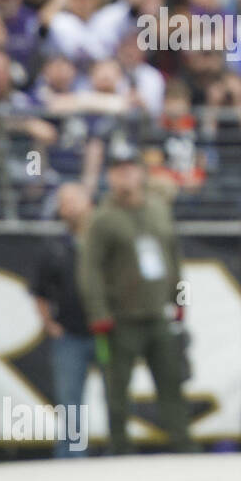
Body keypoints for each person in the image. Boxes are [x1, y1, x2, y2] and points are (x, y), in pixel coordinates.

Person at [77, 142, 194, 455]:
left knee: (171, 381)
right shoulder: (102, 218)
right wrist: (99, 313)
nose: (124, 176)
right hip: (121, 317)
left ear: (141, 173)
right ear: (110, 176)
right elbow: (91, 271)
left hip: (158, 312)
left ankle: (182, 443)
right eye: (117, 170)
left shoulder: (158, 209)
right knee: (118, 387)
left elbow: (173, 257)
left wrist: (179, 299)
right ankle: (121, 446)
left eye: (129, 169)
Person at [29, 182, 96, 458]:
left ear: (88, 201)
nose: (66, 207)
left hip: (106, 331)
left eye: (72, 200)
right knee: (70, 400)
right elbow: (40, 291)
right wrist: (50, 324)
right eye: (62, 202)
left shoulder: (103, 241)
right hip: (69, 333)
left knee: (116, 395)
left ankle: (121, 453)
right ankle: (71, 457)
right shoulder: (54, 247)